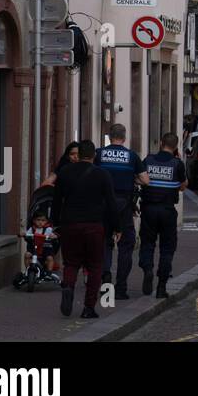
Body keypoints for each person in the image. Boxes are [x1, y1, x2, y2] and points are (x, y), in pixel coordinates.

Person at [52, 139, 118, 319]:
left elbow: (56, 200)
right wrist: (117, 227)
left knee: (71, 263)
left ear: (78, 155)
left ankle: (68, 287)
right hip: (94, 225)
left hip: (70, 225)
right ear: (94, 155)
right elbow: (112, 204)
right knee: (95, 265)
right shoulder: (103, 175)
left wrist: (55, 223)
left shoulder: (65, 172)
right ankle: (89, 307)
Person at [94, 124, 147, 297]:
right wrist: (133, 180)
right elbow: (145, 180)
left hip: (102, 205)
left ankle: (105, 276)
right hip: (124, 206)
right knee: (126, 245)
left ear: (109, 136)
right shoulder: (132, 156)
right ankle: (121, 287)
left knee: (104, 243)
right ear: (124, 138)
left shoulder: (100, 154)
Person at [138, 133, 188, 300]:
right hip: (167, 211)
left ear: (160, 143)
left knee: (147, 243)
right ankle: (161, 287)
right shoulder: (177, 164)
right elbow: (183, 187)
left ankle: (147, 269)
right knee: (167, 248)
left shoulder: (149, 160)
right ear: (175, 147)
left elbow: (140, 178)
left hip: (148, 209)